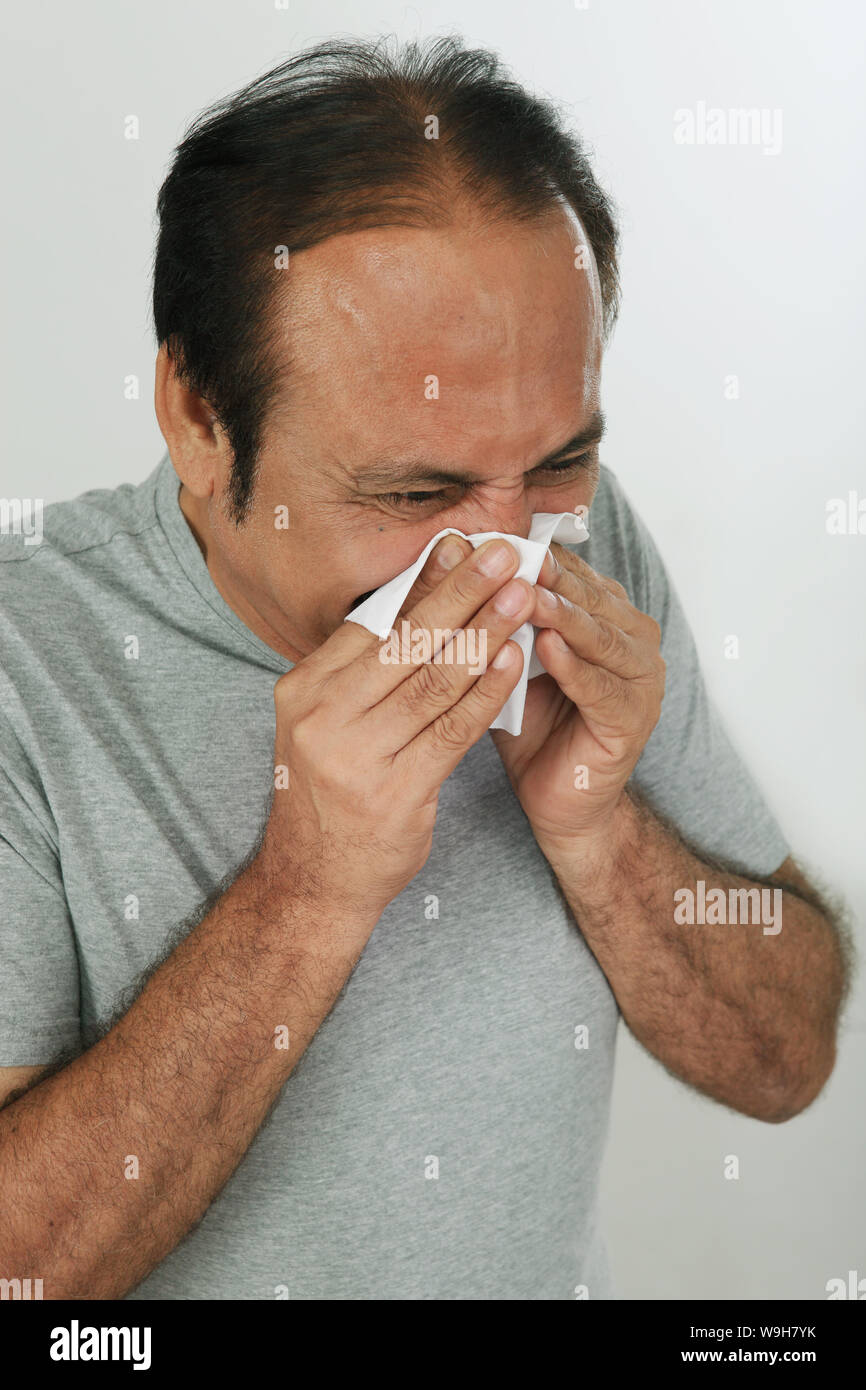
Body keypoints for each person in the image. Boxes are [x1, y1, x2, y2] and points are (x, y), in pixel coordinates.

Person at [0, 35, 850, 1301]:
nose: (504, 557)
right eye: (414, 488)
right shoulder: (30, 663)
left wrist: (600, 835)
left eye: (557, 461)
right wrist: (305, 893)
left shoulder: (589, 544)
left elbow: (785, 1061)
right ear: (195, 417)